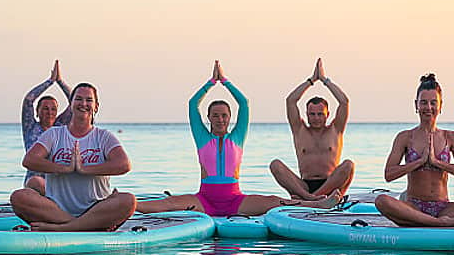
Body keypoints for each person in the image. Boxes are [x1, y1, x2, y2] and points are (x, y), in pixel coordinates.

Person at [138, 62, 341, 217]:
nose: (220, 119)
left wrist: (225, 82)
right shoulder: (202, 138)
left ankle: (318, 204)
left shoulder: (237, 137)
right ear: (208, 118)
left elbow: (243, 103)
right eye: (215, 115)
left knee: (274, 201)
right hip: (205, 199)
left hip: (235, 199)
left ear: (230, 118)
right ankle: (131, 204)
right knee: (169, 204)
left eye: (224, 115)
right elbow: (193, 104)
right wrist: (211, 83)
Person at [10, 83, 137, 231]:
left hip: (96, 209)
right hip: (56, 210)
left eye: (89, 100)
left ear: (96, 106)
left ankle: (63, 228)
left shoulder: (104, 137)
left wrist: (84, 169)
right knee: (19, 197)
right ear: (70, 105)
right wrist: (64, 168)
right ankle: (81, 226)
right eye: (78, 99)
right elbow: (29, 161)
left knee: (128, 200)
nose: (83, 104)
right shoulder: (54, 134)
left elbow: (124, 165)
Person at [374, 73, 454, 227]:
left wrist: (437, 162)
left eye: (433, 103)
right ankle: (439, 223)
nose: (428, 108)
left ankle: (433, 221)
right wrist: (419, 162)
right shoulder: (405, 137)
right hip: (414, 207)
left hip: (444, 208)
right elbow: (389, 174)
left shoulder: (450, 137)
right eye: (423, 103)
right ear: (416, 105)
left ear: (440, 106)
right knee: (382, 200)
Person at [269, 58, 355, 200]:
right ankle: (310, 198)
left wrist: (325, 80)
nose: (316, 118)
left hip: (331, 184)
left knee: (348, 166)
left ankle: (310, 199)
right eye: (312, 114)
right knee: (275, 165)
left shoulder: (335, 129)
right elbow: (291, 101)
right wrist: (311, 81)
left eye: (320, 114)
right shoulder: (299, 129)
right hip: (304, 185)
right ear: (306, 114)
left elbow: (344, 102)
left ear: (327, 115)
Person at [21, 59, 74, 192]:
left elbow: (74, 101)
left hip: (58, 183)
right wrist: (50, 81)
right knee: (37, 182)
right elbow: (28, 100)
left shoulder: (60, 126)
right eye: (45, 108)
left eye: (53, 109)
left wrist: (60, 82)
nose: (49, 112)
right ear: (37, 111)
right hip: (35, 183)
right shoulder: (31, 128)